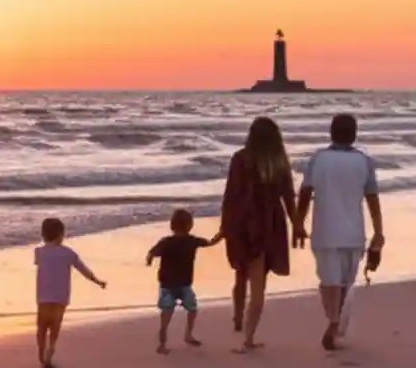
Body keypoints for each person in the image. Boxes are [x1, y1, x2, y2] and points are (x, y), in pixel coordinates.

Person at [295, 114, 385, 352]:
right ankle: (336, 322)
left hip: (324, 230)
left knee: (328, 280)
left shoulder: (319, 159)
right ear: (354, 134)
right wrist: (379, 231)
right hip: (353, 231)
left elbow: (305, 193)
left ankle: (333, 320)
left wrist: (298, 222)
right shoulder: (364, 161)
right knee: (346, 282)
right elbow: (372, 199)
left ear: (331, 132)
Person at [221, 117, 298, 352]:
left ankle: (237, 318)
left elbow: (231, 195)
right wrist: (297, 225)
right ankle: (249, 336)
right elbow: (288, 197)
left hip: (242, 222)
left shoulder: (240, 159)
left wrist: (226, 225)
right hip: (269, 224)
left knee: (240, 271)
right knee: (258, 283)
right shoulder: (280, 162)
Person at [146, 209, 224, 354]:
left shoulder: (167, 242)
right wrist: (222, 233)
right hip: (183, 284)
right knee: (192, 310)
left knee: (166, 316)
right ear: (190, 225)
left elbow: (152, 252)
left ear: (172, 226)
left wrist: (149, 259)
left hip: (169, 285)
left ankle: (162, 345)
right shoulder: (191, 241)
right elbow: (210, 242)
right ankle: (188, 335)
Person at [34, 217, 106, 368]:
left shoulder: (39, 252)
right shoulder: (68, 253)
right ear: (61, 234)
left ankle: (41, 354)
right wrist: (97, 281)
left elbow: (40, 265)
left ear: (43, 234)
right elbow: (83, 269)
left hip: (43, 295)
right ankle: (50, 349)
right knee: (55, 326)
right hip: (61, 296)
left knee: (41, 326)